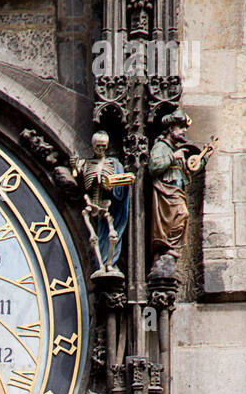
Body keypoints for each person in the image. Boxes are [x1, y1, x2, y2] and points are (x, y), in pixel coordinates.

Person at [149, 109, 214, 273]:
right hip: (166, 191)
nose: (184, 131)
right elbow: (154, 167)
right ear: (171, 129)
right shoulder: (161, 147)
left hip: (177, 190)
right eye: (181, 127)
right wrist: (173, 157)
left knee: (182, 215)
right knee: (181, 214)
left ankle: (170, 247)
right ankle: (166, 247)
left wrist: (205, 157)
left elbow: (189, 169)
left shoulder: (175, 150)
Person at [71, 130, 134, 276]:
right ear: (93, 146)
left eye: (103, 146)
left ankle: (110, 262)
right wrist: (74, 166)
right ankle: (100, 264)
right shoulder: (85, 163)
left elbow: (120, 188)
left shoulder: (114, 164)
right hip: (91, 203)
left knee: (112, 234)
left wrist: (116, 183)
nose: (101, 149)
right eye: (98, 146)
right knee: (94, 236)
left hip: (106, 203)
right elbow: (76, 176)